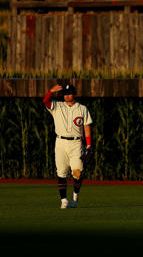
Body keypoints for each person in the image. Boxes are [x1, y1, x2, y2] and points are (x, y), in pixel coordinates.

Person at [42, 81, 93, 209]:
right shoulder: (57, 106)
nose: (67, 95)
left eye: (69, 93)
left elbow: (86, 127)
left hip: (76, 143)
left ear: (74, 94)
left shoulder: (82, 109)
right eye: (65, 93)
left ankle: (75, 197)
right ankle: (63, 199)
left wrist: (89, 145)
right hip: (60, 143)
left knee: (78, 172)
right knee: (62, 172)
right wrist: (51, 92)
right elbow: (45, 102)